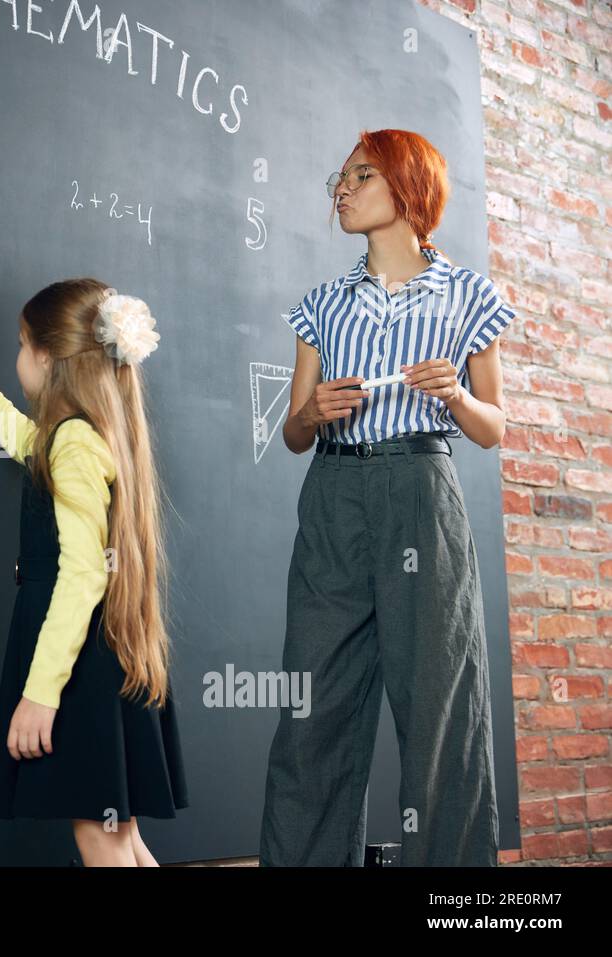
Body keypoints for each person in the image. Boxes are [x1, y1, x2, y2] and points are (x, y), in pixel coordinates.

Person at [260, 129, 514, 866]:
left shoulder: (471, 294)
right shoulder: (321, 305)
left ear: (407, 186)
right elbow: (294, 434)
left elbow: (493, 427)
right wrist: (314, 412)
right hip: (333, 492)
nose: (340, 189)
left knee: (439, 703)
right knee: (313, 709)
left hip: (419, 489)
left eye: (359, 175)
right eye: (336, 179)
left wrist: (457, 394)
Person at [0, 279, 188, 866]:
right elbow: (27, 441)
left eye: (23, 345)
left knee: (98, 835)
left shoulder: (73, 443)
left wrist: (39, 695)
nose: (19, 357)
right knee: (120, 834)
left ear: (47, 357)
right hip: (106, 650)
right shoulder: (84, 434)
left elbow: (82, 575)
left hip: (75, 666)